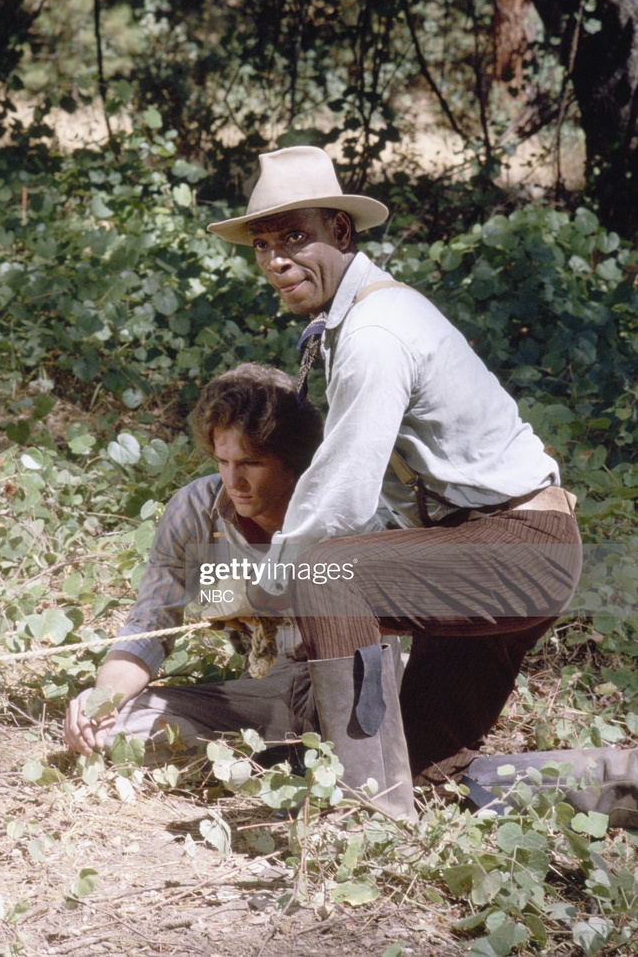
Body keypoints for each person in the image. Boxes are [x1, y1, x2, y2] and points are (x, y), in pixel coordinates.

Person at [207, 145, 583, 820]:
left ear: (340, 230)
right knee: (432, 771)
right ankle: (618, 780)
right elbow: (382, 500)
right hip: (486, 545)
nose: (275, 260)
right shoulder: (358, 320)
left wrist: (271, 584)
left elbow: (343, 494)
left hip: (518, 546)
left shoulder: (375, 333)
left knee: (327, 576)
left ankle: (367, 812)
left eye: (294, 237)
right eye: (262, 244)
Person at [63, 363, 330, 763]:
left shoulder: (336, 510)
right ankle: (265, 755)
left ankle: (288, 756)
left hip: (342, 684)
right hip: (261, 696)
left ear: (292, 461)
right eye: (223, 461)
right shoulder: (196, 509)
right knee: (116, 730)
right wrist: (102, 700)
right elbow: (149, 626)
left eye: (252, 463)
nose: (234, 481)